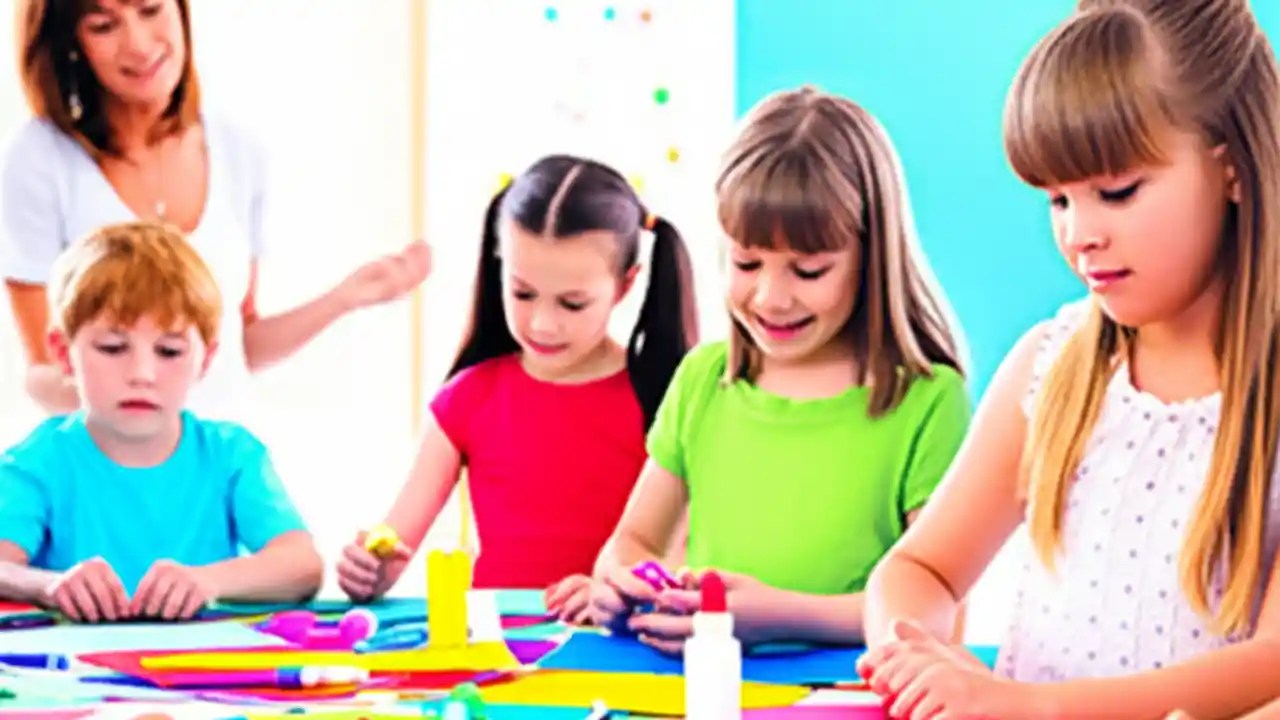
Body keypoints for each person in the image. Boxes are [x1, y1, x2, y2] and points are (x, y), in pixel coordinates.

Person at [856, 1, 1280, 718]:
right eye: (1057, 200)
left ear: (1232, 167)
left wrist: (1032, 706)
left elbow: (1271, 660)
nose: (1080, 234)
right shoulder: (1052, 367)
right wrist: (915, 655)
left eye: (1117, 192)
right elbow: (920, 567)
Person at [584, 86, 971, 654]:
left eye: (808, 271)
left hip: (850, 688)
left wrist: (780, 616)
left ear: (871, 259)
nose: (771, 297)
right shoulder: (703, 379)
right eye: (747, 262)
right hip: (703, 683)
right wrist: (624, 582)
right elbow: (633, 541)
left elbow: (936, 613)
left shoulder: (926, 400)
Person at [0, 0, 430, 422]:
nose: (139, 45)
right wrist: (125, 398)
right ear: (72, 43)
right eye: (103, 26)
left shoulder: (237, 149)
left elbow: (238, 345)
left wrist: (345, 298)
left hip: (222, 454)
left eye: (151, 10)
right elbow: (43, 371)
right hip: (107, 461)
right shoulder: (39, 161)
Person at [334, 155, 698, 607]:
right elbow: (394, 544)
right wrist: (370, 569)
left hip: (614, 640)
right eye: (523, 293)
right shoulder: (468, 398)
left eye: (572, 303)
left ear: (625, 286)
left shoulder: (666, 400)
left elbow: (679, 562)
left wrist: (614, 593)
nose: (542, 324)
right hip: (495, 640)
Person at [0, 221, 323, 623]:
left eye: (169, 351)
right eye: (113, 348)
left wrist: (208, 581)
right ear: (63, 354)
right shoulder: (38, 461)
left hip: (203, 660)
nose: (142, 374)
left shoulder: (231, 454)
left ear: (205, 360)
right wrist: (47, 585)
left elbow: (302, 564)